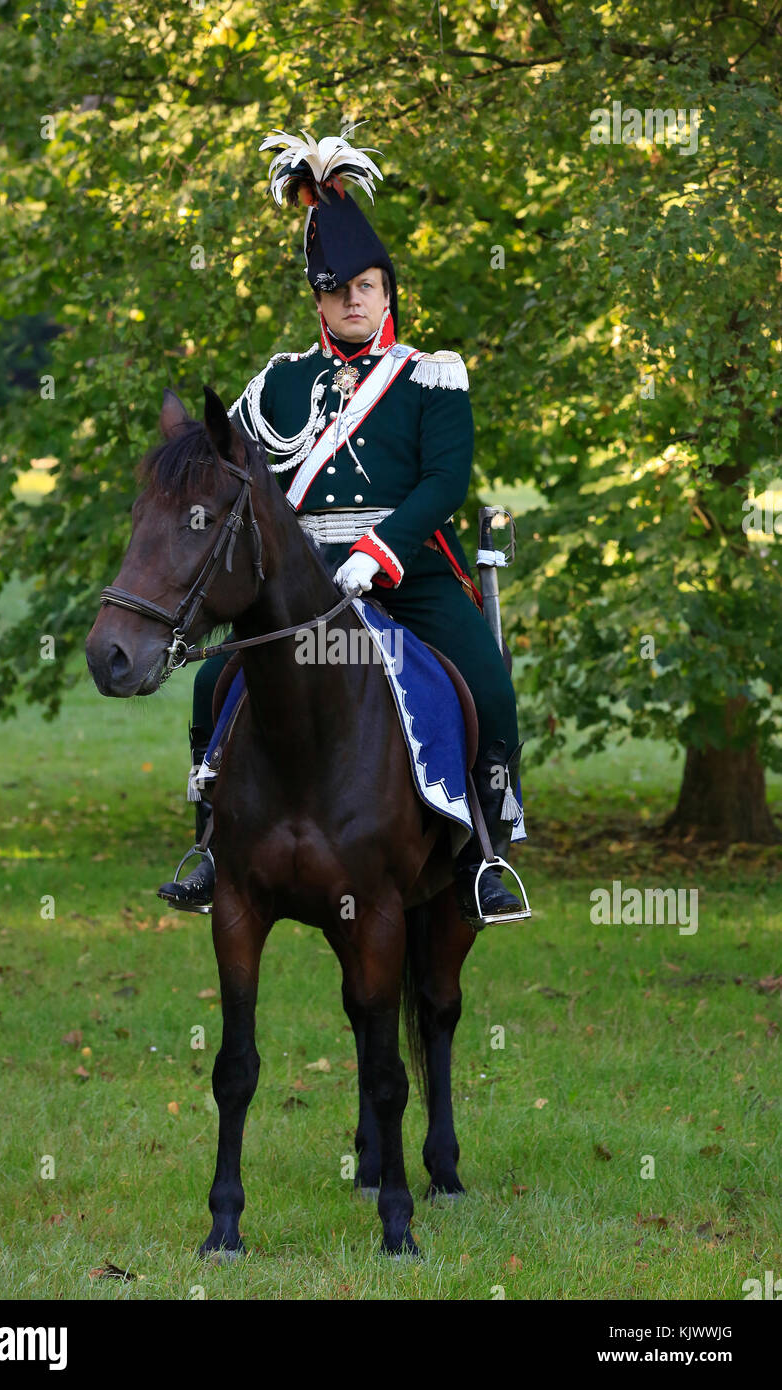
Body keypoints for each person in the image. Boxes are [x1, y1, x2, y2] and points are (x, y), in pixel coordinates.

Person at [157, 126, 525, 929]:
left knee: (490, 692)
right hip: (302, 578)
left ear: (387, 290)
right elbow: (240, 475)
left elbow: (443, 483)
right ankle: (210, 845)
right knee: (212, 684)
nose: (352, 301)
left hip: (410, 570)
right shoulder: (280, 383)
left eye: (365, 285)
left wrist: (380, 549)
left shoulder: (432, 375)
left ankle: (487, 857)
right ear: (317, 298)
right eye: (336, 289)